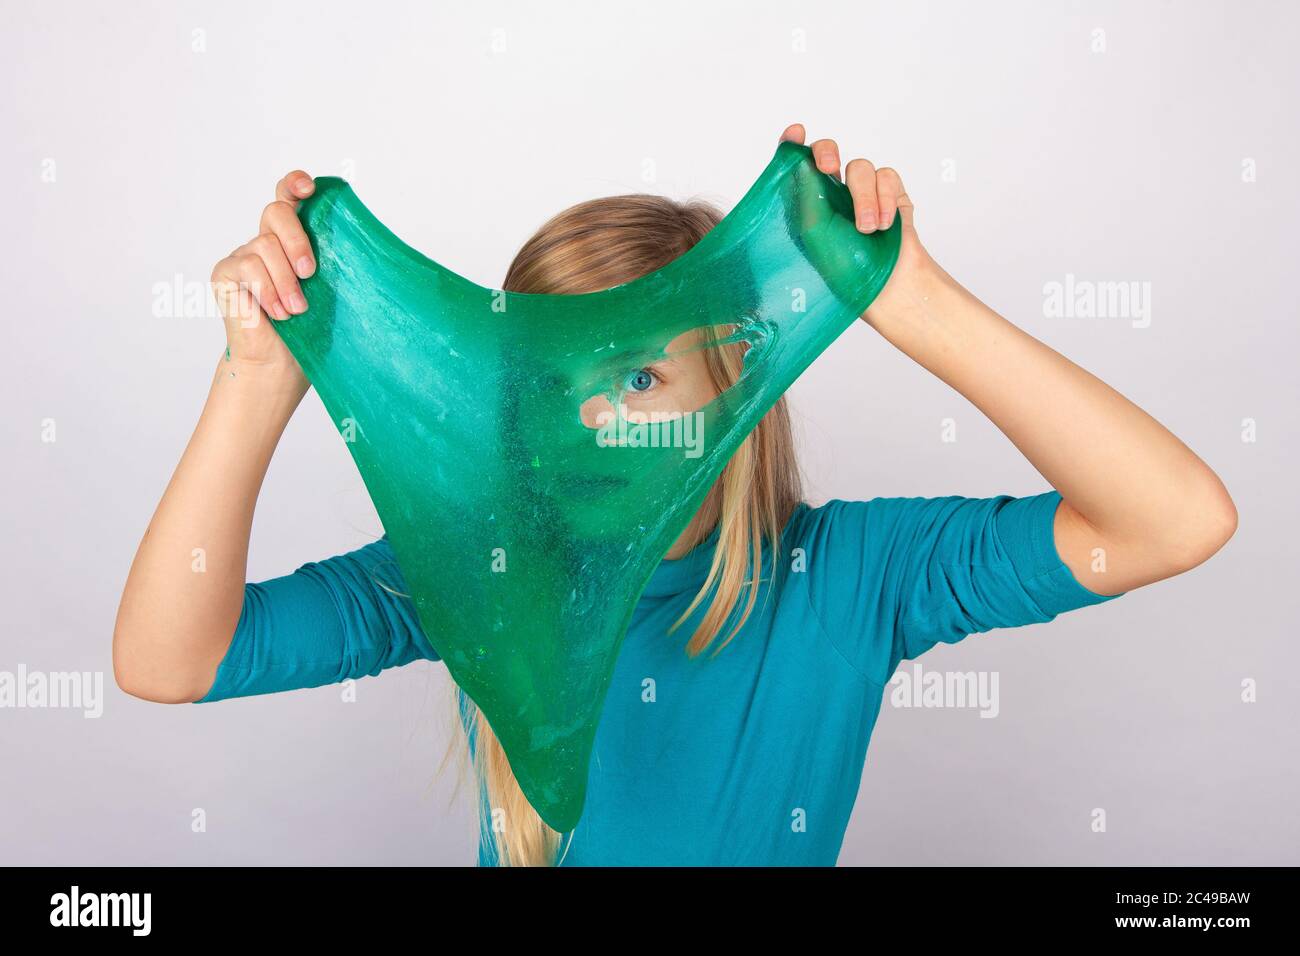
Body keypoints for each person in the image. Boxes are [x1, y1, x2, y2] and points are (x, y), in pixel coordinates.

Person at [113, 123, 1237, 866]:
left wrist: (912, 300)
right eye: (558, 385)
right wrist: (256, 380)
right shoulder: (476, 572)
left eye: (640, 374)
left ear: (734, 384)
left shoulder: (848, 581)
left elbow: (1174, 518)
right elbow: (168, 660)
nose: (593, 422)